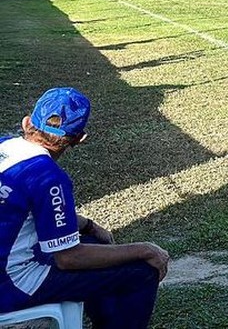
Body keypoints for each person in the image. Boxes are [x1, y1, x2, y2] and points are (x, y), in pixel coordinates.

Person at [0, 88, 169, 328]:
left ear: (27, 122)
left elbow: (32, 211)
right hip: (10, 285)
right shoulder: (48, 177)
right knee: (141, 272)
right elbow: (69, 258)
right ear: (80, 139)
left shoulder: (4, 145)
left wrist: (88, 225)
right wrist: (144, 250)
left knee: (94, 243)